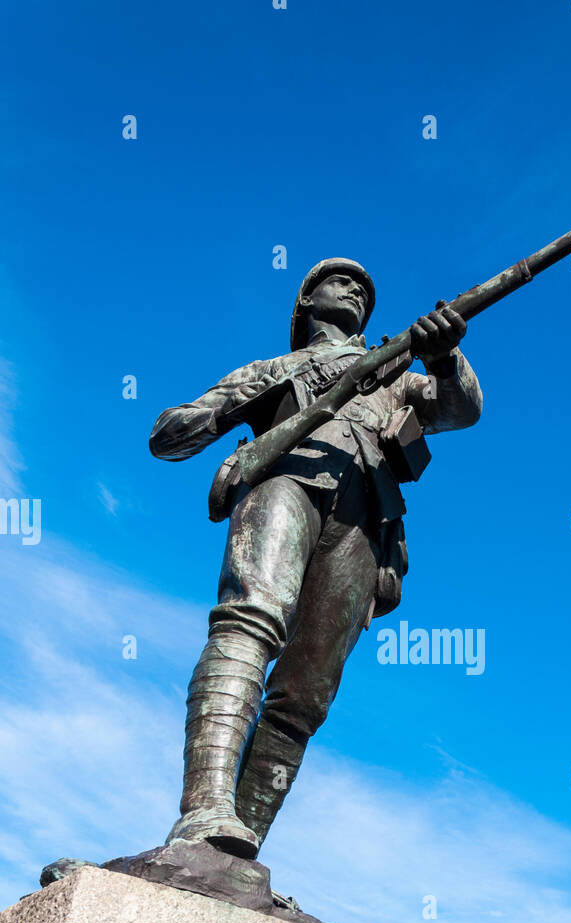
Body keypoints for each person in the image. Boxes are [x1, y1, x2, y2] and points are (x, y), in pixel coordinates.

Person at [149, 259, 482, 858]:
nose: (355, 289)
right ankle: (203, 810)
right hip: (286, 482)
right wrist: (251, 397)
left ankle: (235, 849)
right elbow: (168, 437)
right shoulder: (272, 367)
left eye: (365, 288)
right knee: (250, 619)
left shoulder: (394, 372)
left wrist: (443, 357)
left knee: (307, 692)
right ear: (306, 301)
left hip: (365, 517)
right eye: (339, 281)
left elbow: (460, 409)